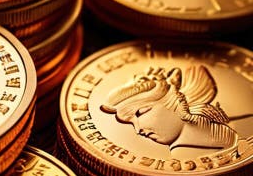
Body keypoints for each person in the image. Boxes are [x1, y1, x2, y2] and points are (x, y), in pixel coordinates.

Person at [100, 65, 239, 153]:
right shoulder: (182, 155)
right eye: (131, 122)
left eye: (140, 113)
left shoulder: (230, 129)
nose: (138, 130)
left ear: (172, 99)